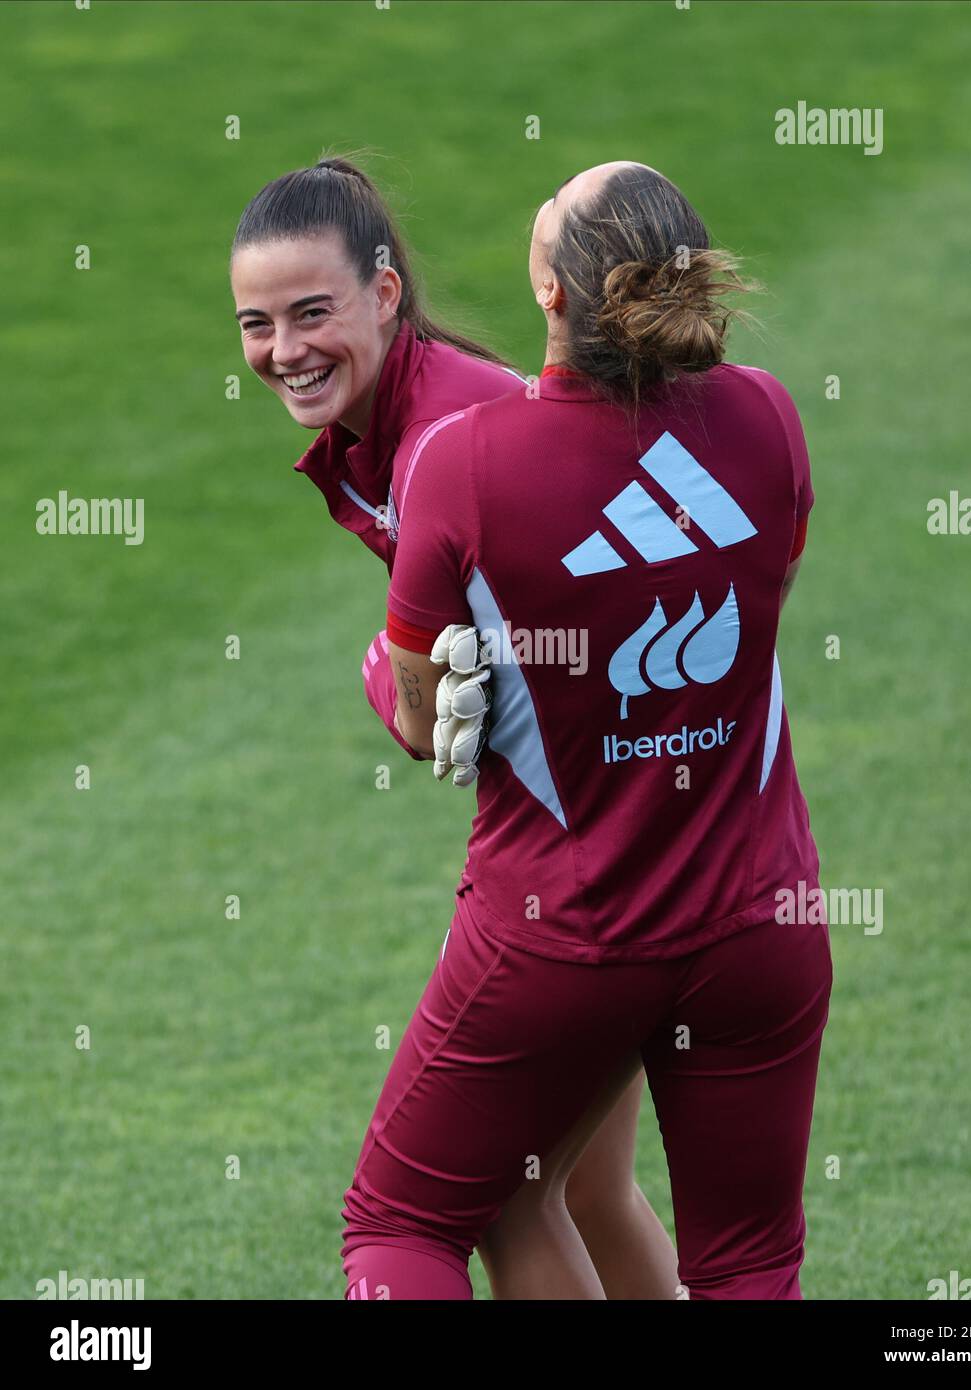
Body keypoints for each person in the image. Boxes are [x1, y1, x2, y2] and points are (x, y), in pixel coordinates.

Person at [339, 160, 833, 1300]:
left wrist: (382, 675)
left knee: (400, 1220)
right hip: (761, 931)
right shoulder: (767, 416)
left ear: (554, 292)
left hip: (560, 940)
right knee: (750, 1263)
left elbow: (424, 718)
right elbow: (764, 596)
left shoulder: (464, 462)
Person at [229, 155, 679, 1299]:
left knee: (493, 1193)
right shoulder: (405, 424)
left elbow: (449, 712)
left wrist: (391, 681)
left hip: (591, 865)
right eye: (257, 322)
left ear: (387, 293)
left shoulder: (448, 439)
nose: (285, 348)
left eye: (311, 312)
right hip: (644, 839)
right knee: (575, 1185)